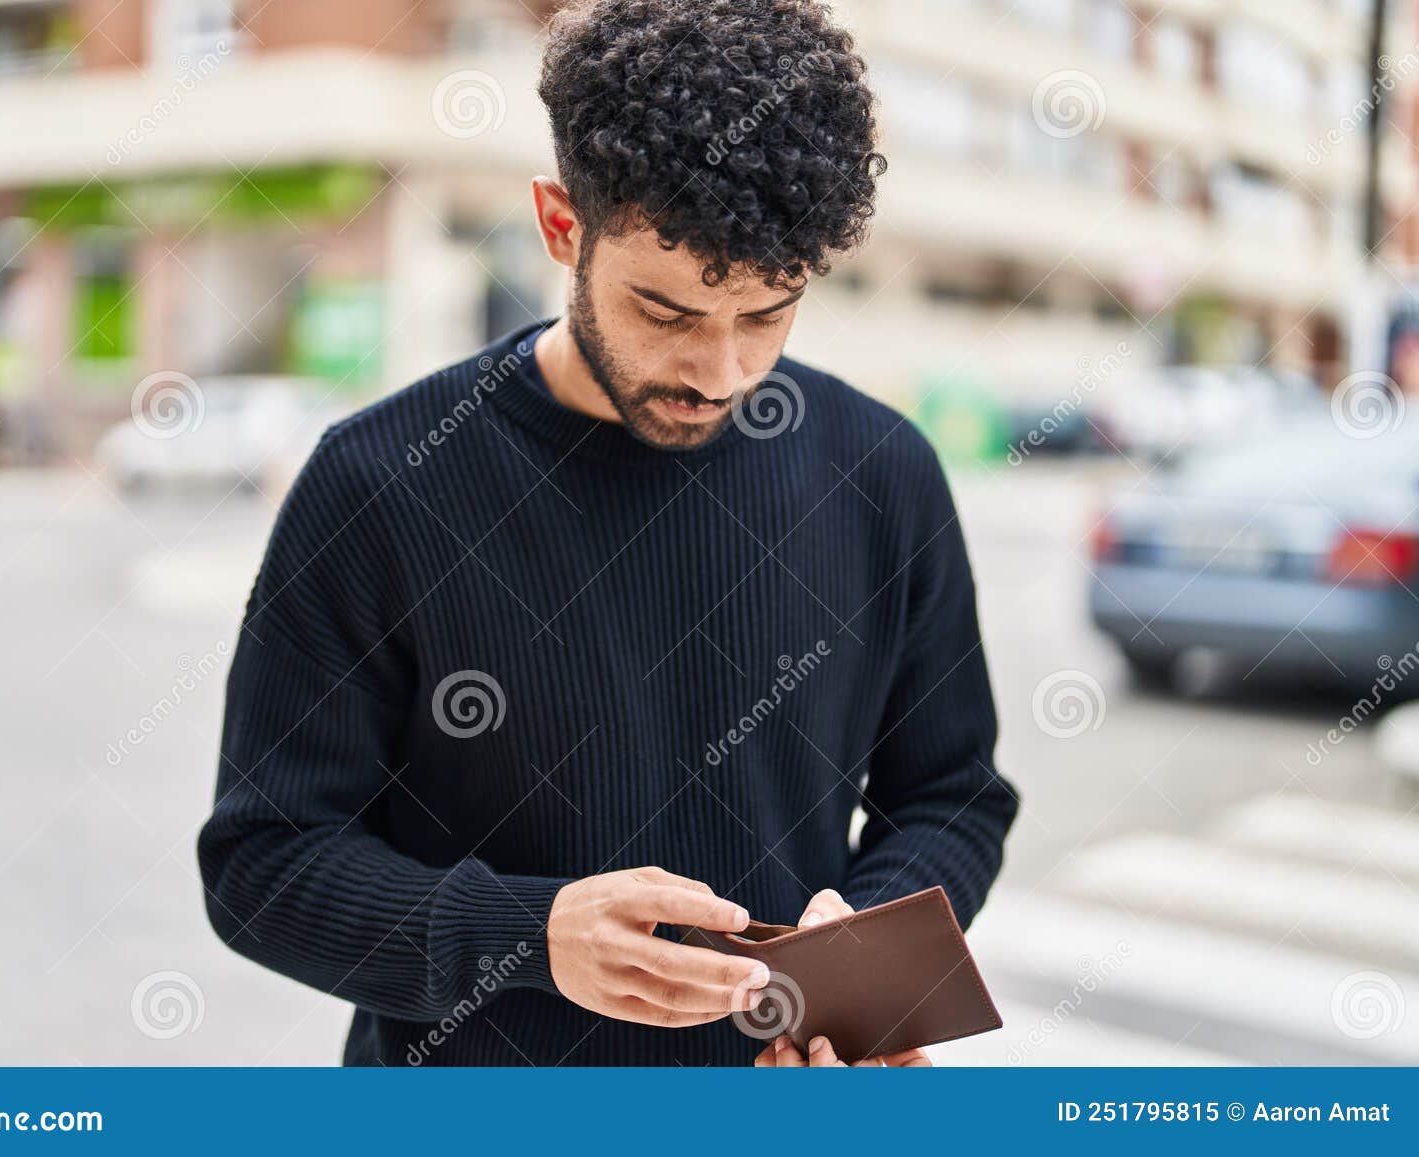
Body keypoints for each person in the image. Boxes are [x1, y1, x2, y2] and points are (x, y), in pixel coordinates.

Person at [198, 0, 1018, 1067]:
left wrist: (871, 978)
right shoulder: (378, 483)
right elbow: (263, 862)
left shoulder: (882, 472)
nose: (720, 373)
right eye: (667, 313)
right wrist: (525, 937)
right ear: (558, 225)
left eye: (767, 312)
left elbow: (952, 797)